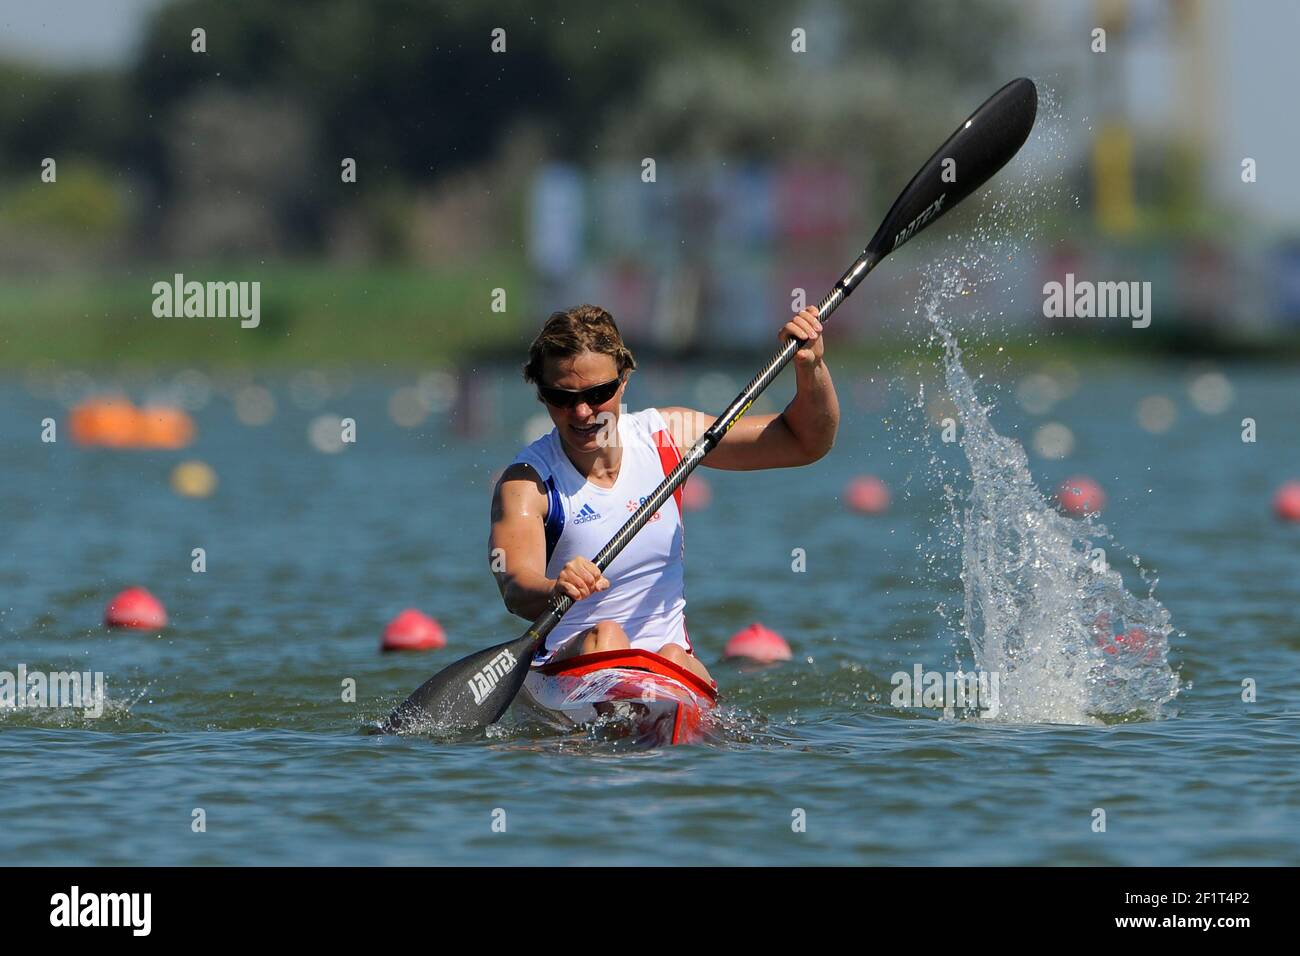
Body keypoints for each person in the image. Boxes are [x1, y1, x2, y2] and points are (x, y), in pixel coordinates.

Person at [489, 303, 839, 684]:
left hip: (668, 667)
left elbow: (805, 442)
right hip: (571, 666)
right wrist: (554, 588)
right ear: (541, 394)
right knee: (607, 638)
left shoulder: (669, 436)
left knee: (678, 658)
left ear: (624, 380)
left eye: (599, 393)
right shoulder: (527, 483)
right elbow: (515, 586)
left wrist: (811, 367)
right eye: (563, 397)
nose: (583, 412)